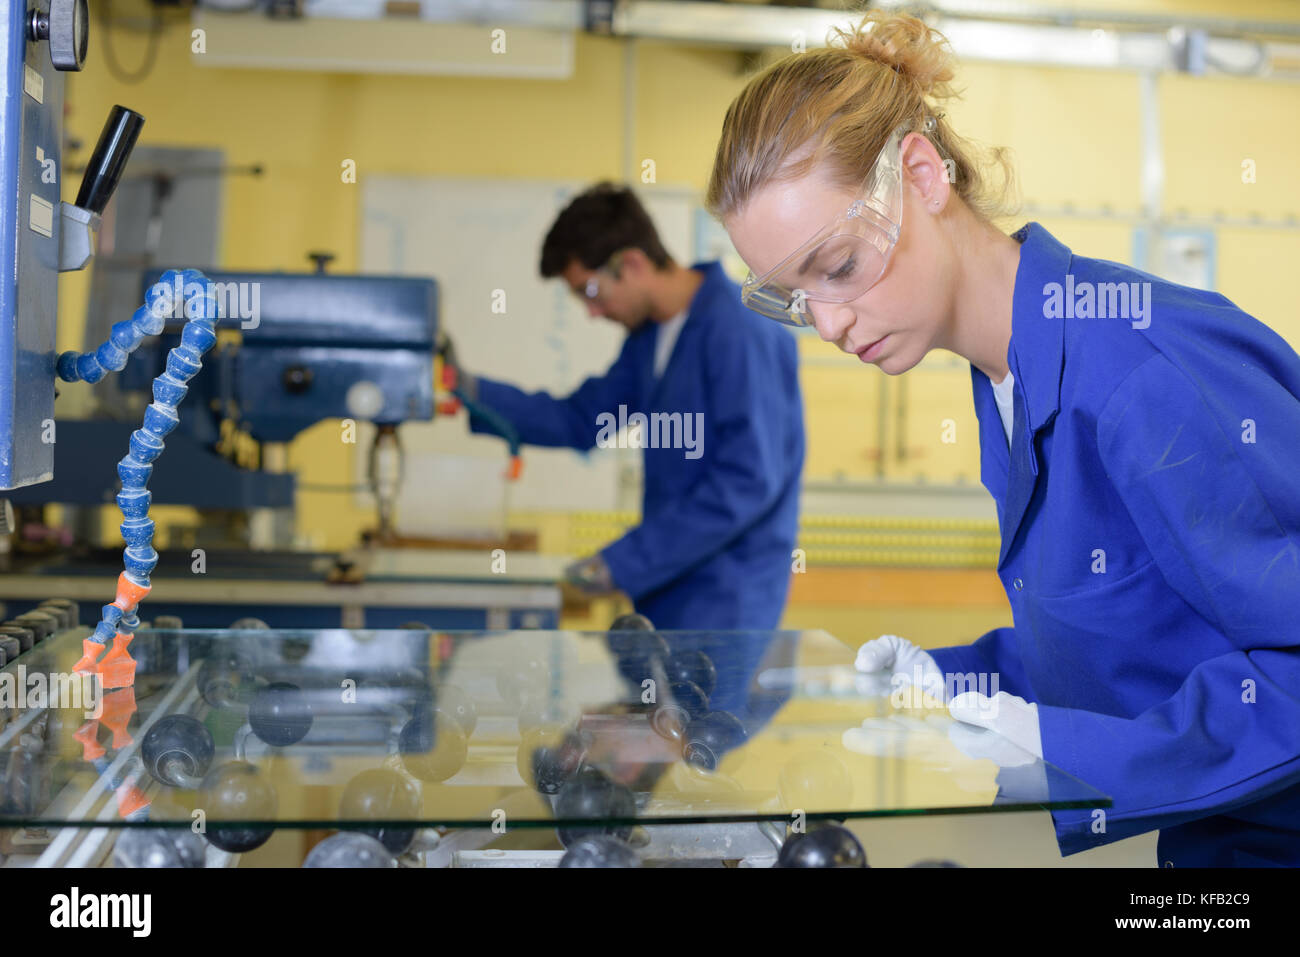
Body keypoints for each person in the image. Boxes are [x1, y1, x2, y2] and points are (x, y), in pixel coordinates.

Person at [706, 11, 1300, 866]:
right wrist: (959, 685)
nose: (829, 322)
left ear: (920, 173)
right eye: (793, 300)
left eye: (835, 268)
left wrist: (1051, 750)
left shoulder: (1142, 370)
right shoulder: (1010, 380)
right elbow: (1139, 639)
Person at [444, 183, 805, 630]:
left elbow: (749, 480)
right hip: (665, 594)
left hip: (727, 606)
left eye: (590, 291)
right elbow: (579, 419)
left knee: (700, 702)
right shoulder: (650, 339)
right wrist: (470, 391)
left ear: (631, 263)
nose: (592, 313)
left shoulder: (739, 332)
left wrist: (622, 562)